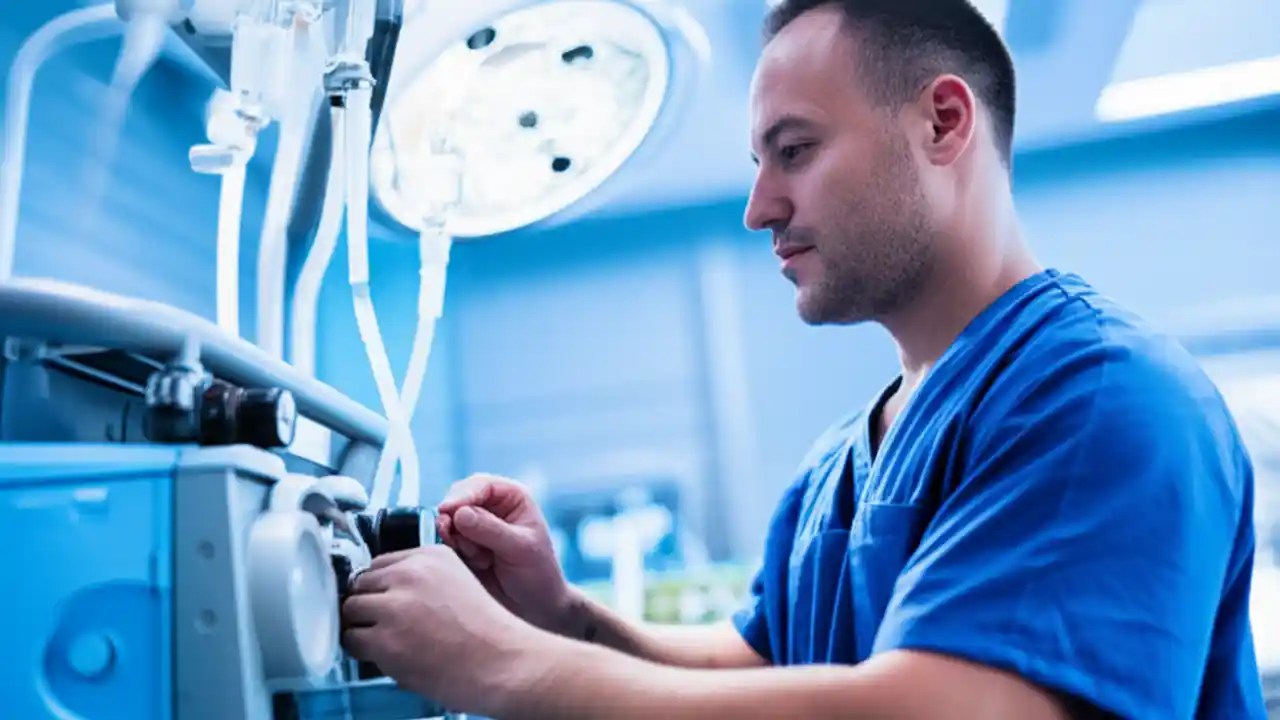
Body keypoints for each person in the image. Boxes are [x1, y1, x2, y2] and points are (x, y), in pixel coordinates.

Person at [339, 1, 1269, 717]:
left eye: (796, 151)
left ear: (944, 122)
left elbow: (947, 708)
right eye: (758, 162)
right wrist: (564, 617)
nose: (760, 208)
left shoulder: (1102, 399)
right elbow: (760, 672)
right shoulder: (839, 465)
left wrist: (503, 667)